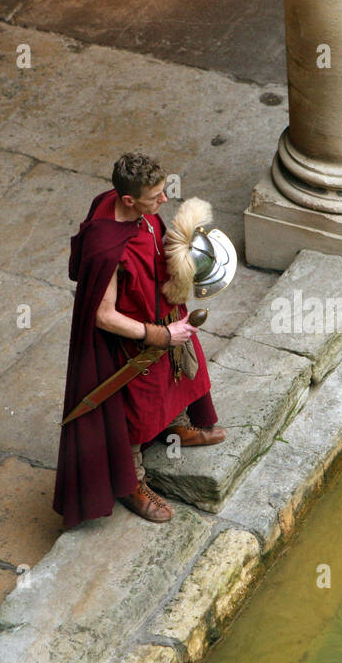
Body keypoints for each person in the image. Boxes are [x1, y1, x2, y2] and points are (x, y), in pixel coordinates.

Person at [53, 152, 225, 527]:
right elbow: (103, 315)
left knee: (180, 377)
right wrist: (161, 335)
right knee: (135, 413)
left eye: (163, 192)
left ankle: (175, 426)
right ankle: (132, 483)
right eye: (155, 197)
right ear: (128, 200)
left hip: (164, 310)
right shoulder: (106, 248)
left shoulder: (127, 206)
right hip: (135, 343)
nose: (164, 201)